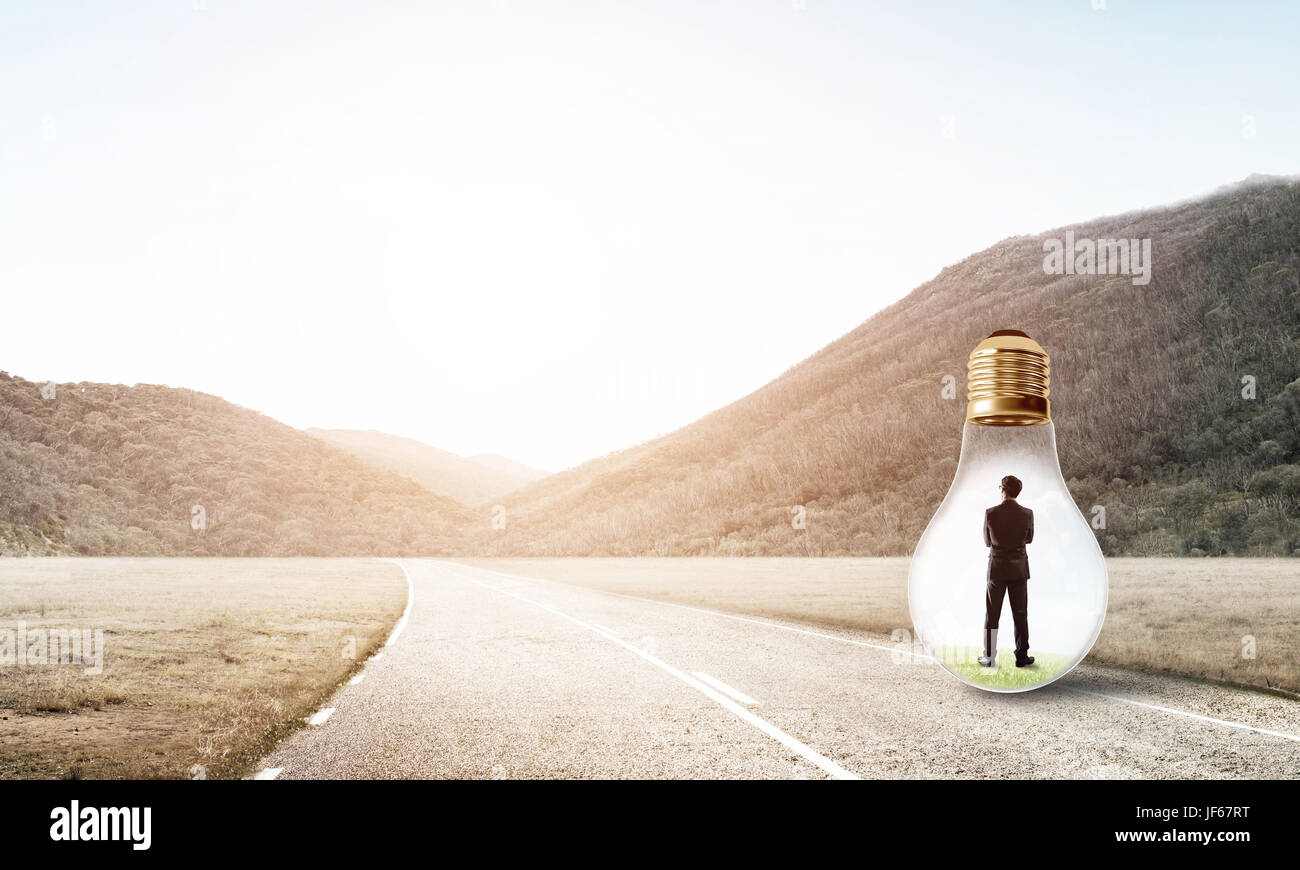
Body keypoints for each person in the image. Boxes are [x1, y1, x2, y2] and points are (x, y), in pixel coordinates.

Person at [978, 475, 1035, 669]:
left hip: (996, 569)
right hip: (1019, 569)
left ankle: (989, 656)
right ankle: (1021, 656)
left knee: (992, 614)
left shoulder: (990, 513)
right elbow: (1029, 538)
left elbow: (987, 542)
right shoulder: (1027, 513)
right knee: (1020, 614)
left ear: (1002, 489)